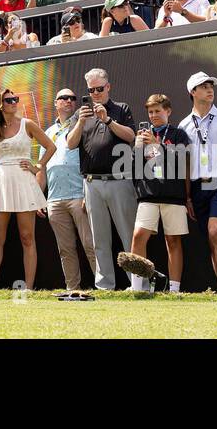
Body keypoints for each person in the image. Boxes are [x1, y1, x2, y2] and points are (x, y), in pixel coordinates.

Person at [67, 68, 137, 290]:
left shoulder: (121, 109)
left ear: (108, 87)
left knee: (128, 235)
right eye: (91, 90)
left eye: (99, 88)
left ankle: (138, 283)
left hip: (120, 179)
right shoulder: (80, 115)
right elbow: (70, 143)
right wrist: (80, 121)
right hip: (92, 182)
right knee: (99, 239)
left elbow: (131, 136)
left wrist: (107, 121)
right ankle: (105, 285)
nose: (95, 93)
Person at [0, 89, 55, 290]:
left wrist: (37, 166)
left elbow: (50, 146)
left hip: (24, 182)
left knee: (27, 237)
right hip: (2, 182)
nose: (14, 102)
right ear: (0, 104)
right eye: (9, 100)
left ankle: (28, 288)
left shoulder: (27, 124)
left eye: (15, 99)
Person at [177, 72, 217, 293]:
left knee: (215, 231)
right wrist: (187, 197)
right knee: (211, 238)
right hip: (197, 186)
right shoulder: (184, 125)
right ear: (192, 92)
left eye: (211, 86)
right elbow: (185, 166)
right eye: (203, 86)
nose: (209, 89)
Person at [119, 93, 192, 294]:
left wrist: (157, 145)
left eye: (157, 111)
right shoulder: (141, 136)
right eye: (150, 112)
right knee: (138, 236)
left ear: (168, 111)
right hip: (148, 195)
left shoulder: (178, 134)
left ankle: (175, 289)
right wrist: (137, 148)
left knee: (173, 241)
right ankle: (138, 287)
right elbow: (134, 167)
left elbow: (181, 163)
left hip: (173, 196)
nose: (154, 115)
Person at [42, 88, 96, 292]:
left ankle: (104, 286)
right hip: (55, 198)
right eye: (63, 98)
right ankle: (72, 289)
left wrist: (86, 191)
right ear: (55, 103)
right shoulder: (48, 132)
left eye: (72, 98)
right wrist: (41, 197)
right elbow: (42, 166)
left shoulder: (84, 125)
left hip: (79, 194)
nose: (68, 101)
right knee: (65, 249)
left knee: (90, 244)